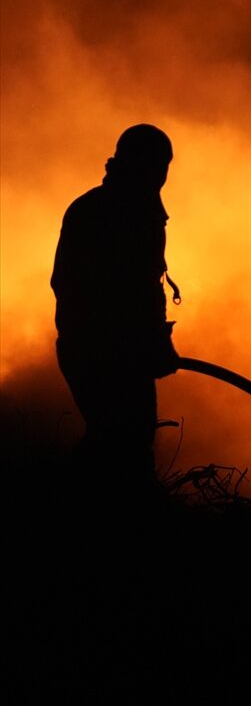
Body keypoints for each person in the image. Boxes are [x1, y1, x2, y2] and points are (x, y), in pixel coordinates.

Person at [51, 124, 181, 498]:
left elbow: (143, 288)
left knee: (119, 442)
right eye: (157, 164)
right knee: (122, 443)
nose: (161, 174)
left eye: (164, 165)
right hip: (101, 352)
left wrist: (154, 341)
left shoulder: (130, 208)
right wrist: (144, 342)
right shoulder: (116, 213)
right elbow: (118, 290)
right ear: (136, 163)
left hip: (108, 349)